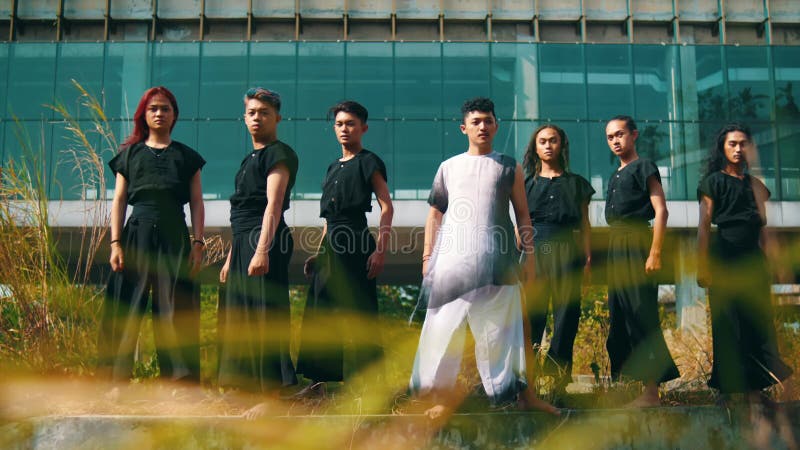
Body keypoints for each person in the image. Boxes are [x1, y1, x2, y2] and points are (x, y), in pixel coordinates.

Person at [409, 97, 558, 419]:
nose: (482, 126)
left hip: (499, 264)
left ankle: (522, 397)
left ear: (496, 125)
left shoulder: (509, 166)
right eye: (475, 121)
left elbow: (523, 216)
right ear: (464, 128)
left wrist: (529, 258)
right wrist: (426, 257)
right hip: (451, 265)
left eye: (488, 120)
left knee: (506, 333)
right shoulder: (448, 167)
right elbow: (434, 215)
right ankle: (440, 399)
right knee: (442, 331)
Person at [100, 86, 205, 383]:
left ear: (174, 115)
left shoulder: (188, 157)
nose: (159, 113)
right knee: (125, 304)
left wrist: (198, 243)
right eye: (153, 109)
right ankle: (114, 379)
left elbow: (197, 203)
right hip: (136, 235)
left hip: (175, 236)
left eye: (165, 109)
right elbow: (119, 200)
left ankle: (180, 381)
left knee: (175, 307)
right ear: (144, 115)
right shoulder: (129, 155)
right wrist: (116, 243)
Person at [295, 100, 393, 395]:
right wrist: (320, 250)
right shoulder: (332, 167)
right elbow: (328, 217)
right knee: (319, 313)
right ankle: (318, 386)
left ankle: (372, 385)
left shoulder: (369, 161)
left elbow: (387, 207)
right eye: (339, 124)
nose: (344, 129)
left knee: (360, 314)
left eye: (350, 123)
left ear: (363, 127)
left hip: (357, 242)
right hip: (331, 245)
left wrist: (381, 250)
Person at [697, 123, 793, 402]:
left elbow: (764, 229)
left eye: (743, 144)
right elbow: (703, 225)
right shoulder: (712, 182)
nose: (738, 149)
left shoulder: (757, 186)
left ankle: (756, 389)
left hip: (754, 259)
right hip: (724, 255)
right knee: (728, 322)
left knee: (756, 320)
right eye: (732, 144)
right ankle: (729, 390)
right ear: (723, 148)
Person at [217, 87, 299, 414]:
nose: (257, 118)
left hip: (265, 239)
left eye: (264, 112)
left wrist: (262, 249)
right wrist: (229, 258)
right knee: (239, 316)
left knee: (266, 314)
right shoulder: (247, 159)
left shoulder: (279, 153)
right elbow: (240, 215)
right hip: (242, 242)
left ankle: (272, 395)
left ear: (276, 118)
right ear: (244, 117)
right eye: (252, 112)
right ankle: (244, 389)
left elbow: (273, 205)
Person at [604, 115, 679, 407]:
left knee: (641, 313)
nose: (615, 140)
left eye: (620, 134)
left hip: (638, 243)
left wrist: (655, 252)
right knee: (619, 315)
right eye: (610, 137)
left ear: (634, 135)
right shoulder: (615, 175)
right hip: (615, 246)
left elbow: (661, 211)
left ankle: (651, 393)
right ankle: (626, 388)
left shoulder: (644, 166)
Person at [523, 124, 594, 392]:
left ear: (562, 144)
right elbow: (519, 219)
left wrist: (587, 260)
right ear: (536, 147)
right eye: (542, 141)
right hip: (536, 250)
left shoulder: (577, 184)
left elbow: (585, 225)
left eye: (553, 140)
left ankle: (558, 379)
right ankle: (528, 380)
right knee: (532, 315)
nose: (548, 145)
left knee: (567, 315)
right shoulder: (526, 183)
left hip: (568, 249)